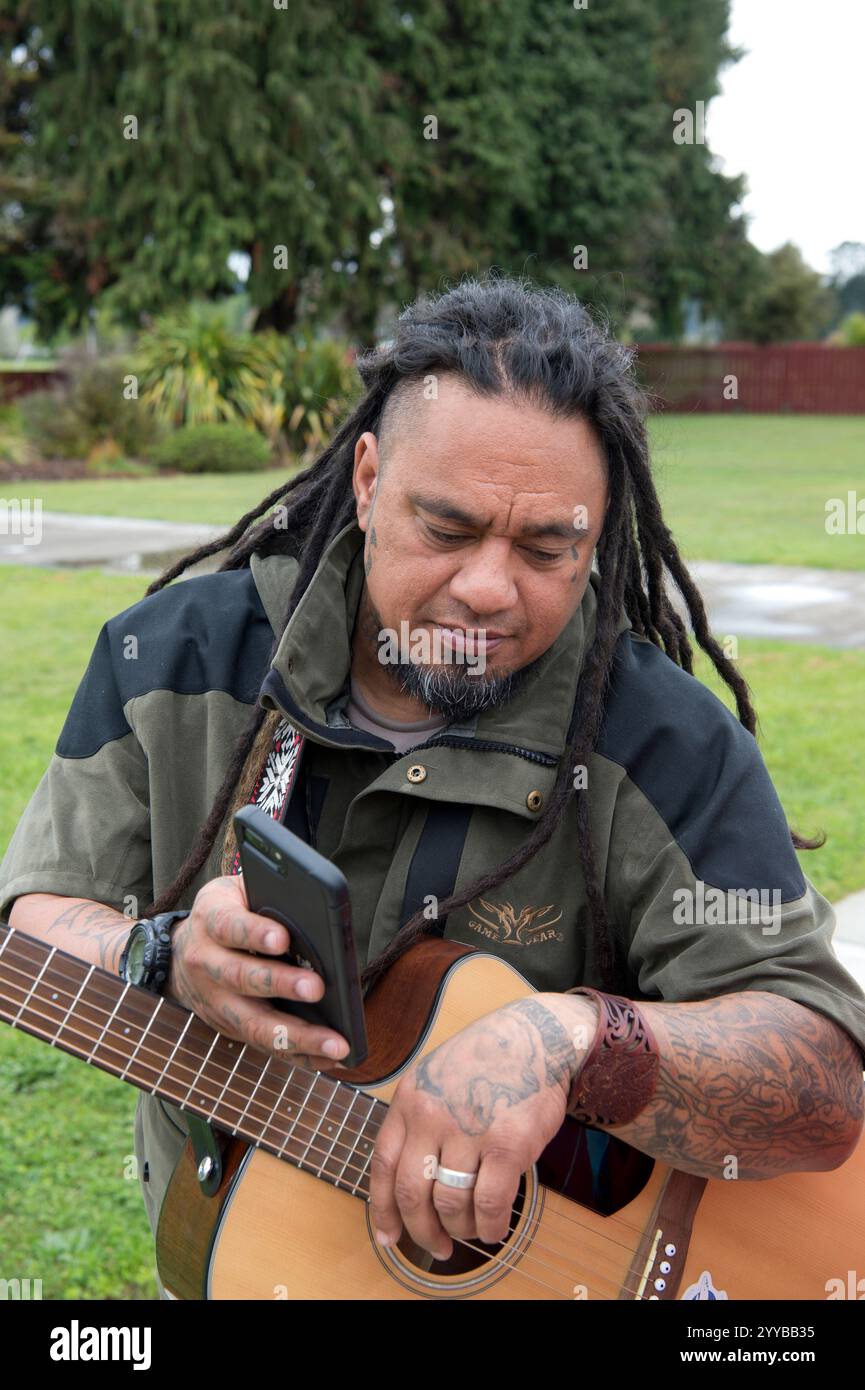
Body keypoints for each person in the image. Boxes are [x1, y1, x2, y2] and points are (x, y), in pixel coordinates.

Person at [2, 275, 864, 1295]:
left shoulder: (665, 740)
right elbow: (30, 930)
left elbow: (818, 1075)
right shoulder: (176, 657)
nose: (488, 588)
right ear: (366, 479)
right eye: (446, 529)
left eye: (548, 548)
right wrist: (158, 957)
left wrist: (575, 1040)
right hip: (262, 1249)